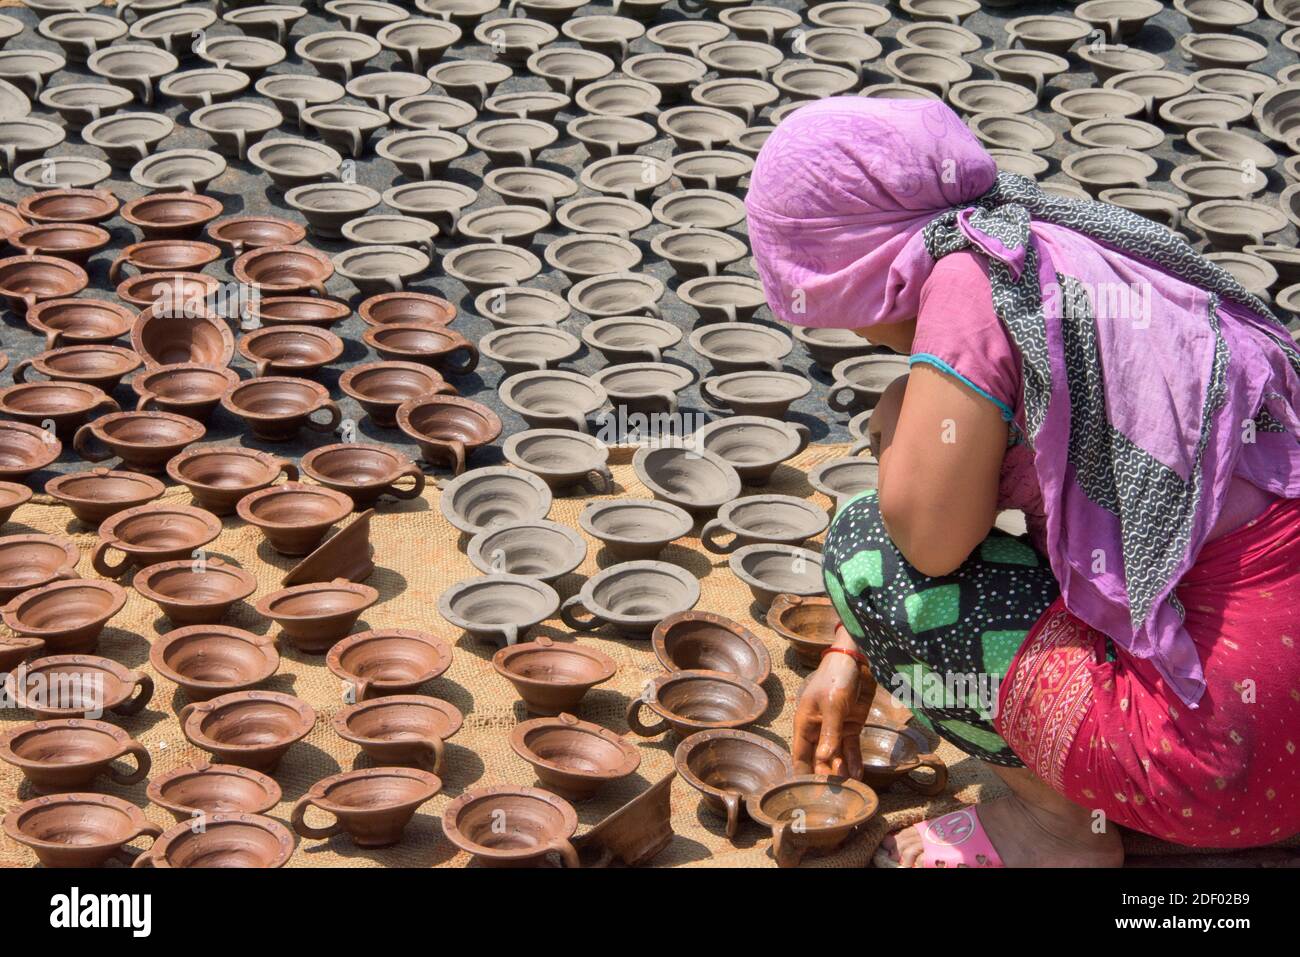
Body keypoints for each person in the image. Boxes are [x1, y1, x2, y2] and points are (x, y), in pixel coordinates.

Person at [745, 97, 1300, 867]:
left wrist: (894, 424)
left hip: (1225, 762)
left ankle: (1056, 827)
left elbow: (926, 544)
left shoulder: (971, 288)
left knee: (866, 544)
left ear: (846, 266)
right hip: (1285, 738)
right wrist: (848, 654)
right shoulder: (1057, 247)